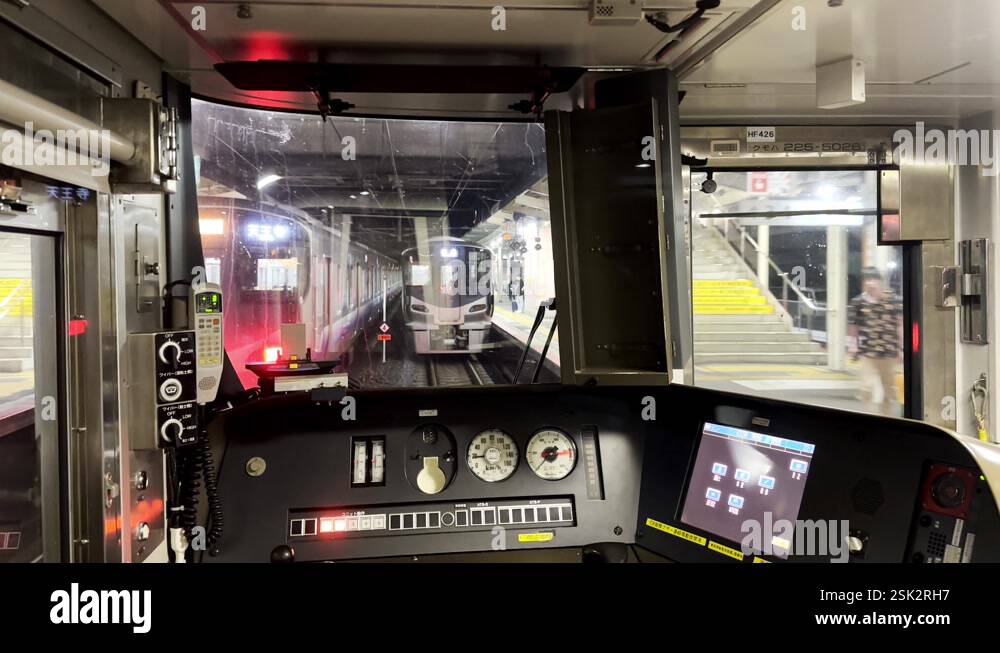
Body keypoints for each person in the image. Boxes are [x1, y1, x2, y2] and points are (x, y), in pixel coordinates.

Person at [848, 267, 903, 415]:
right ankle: (869, 417)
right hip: (868, 352)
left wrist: (901, 349)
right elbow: (854, 326)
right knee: (866, 388)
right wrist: (852, 346)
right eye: (867, 280)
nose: (871, 283)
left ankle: (886, 418)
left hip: (889, 352)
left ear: (880, 282)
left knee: (889, 390)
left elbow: (899, 324)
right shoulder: (858, 302)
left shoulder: (892, 300)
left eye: (873, 279)